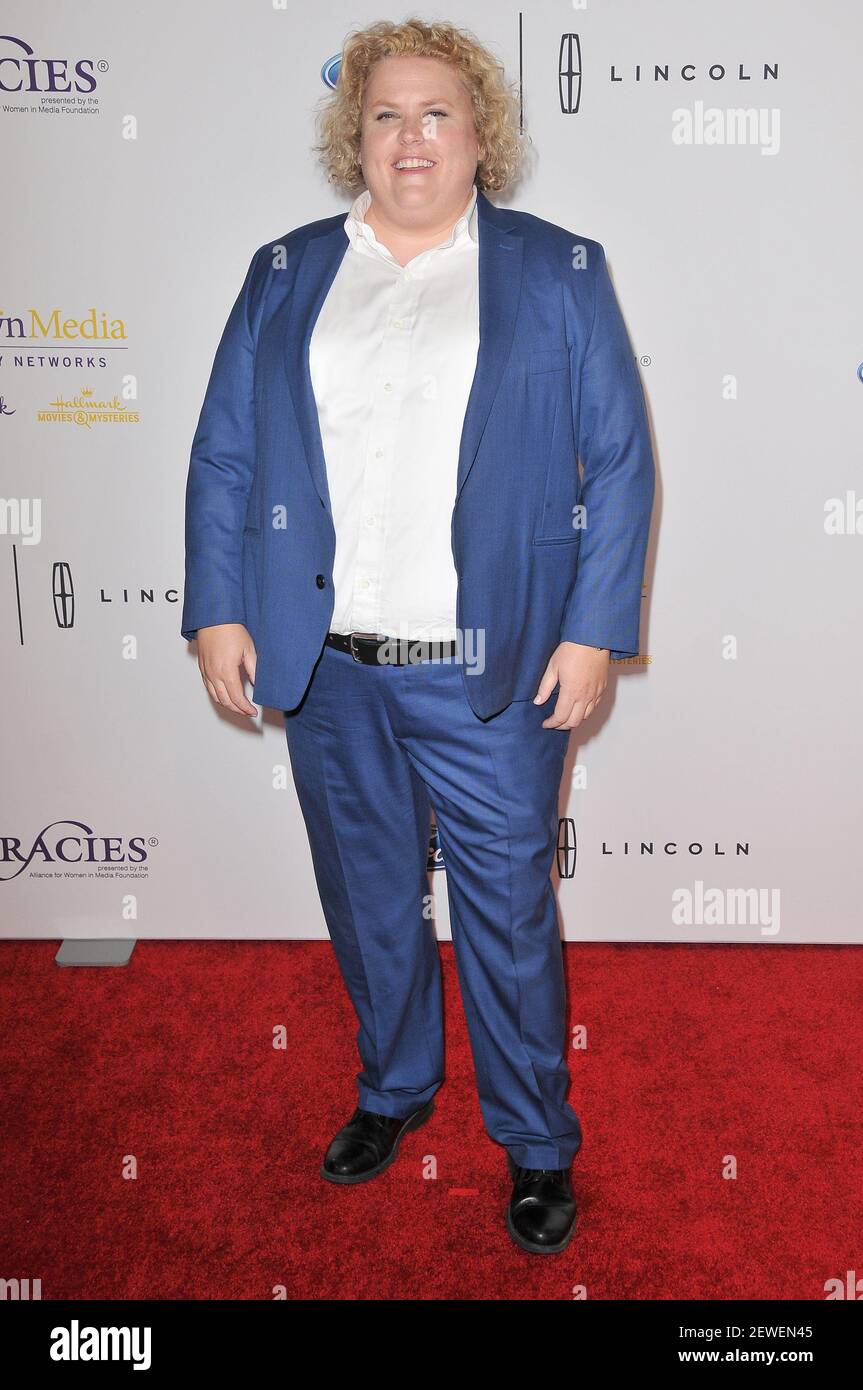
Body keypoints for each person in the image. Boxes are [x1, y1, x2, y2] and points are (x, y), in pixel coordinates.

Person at [181, 17, 654, 1256]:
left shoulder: (557, 271)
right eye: (384, 114)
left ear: (480, 134)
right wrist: (219, 605)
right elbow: (225, 453)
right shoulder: (285, 272)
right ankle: (392, 1090)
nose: (408, 137)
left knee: (503, 912)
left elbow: (617, 462)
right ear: (355, 136)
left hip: (487, 668)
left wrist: (595, 629)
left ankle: (536, 1144)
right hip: (328, 663)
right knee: (371, 898)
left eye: (435, 112)